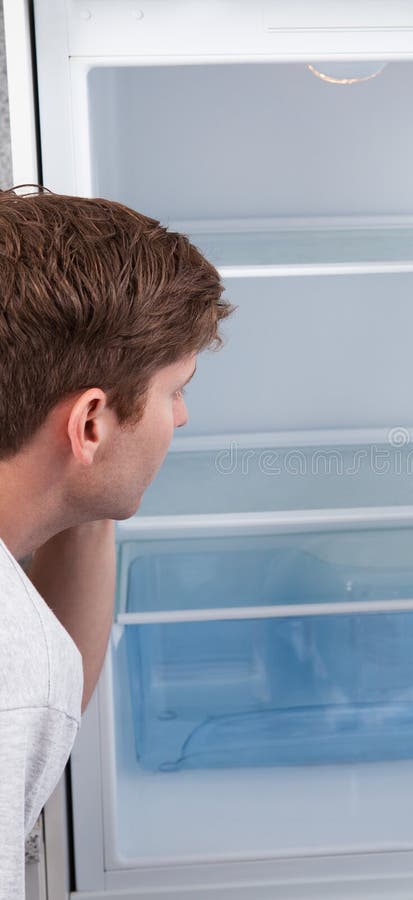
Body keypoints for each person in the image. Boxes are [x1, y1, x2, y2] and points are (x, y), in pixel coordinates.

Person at [0, 187, 232, 896]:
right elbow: (33, 692)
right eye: (174, 391)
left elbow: (53, 689)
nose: (182, 417)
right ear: (91, 421)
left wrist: (88, 480)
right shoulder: (13, 672)